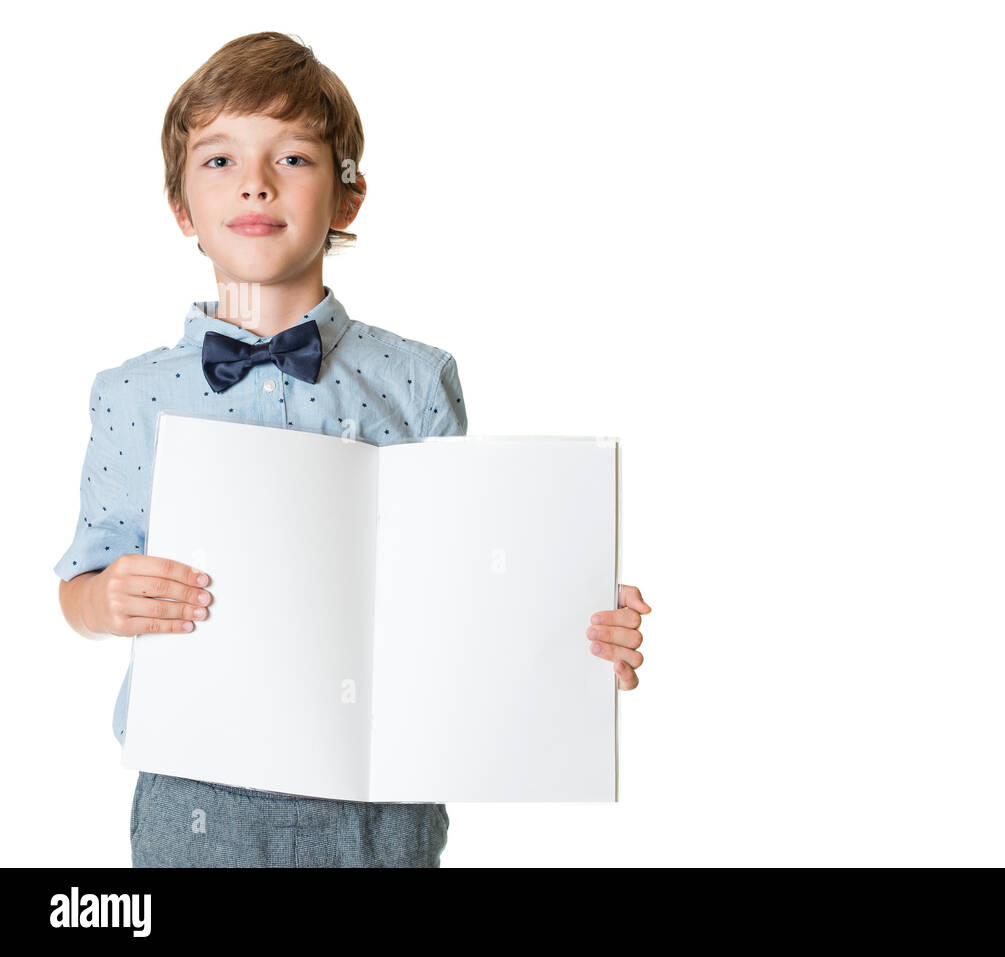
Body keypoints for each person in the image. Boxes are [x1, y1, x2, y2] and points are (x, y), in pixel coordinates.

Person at [53, 30, 651, 867]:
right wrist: (107, 598)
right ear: (181, 208)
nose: (256, 180)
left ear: (347, 197)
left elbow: (463, 582)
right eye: (220, 159)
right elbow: (81, 584)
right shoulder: (129, 394)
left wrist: (568, 624)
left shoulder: (417, 378)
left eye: (293, 157)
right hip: (195, 788)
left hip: (382, 796)